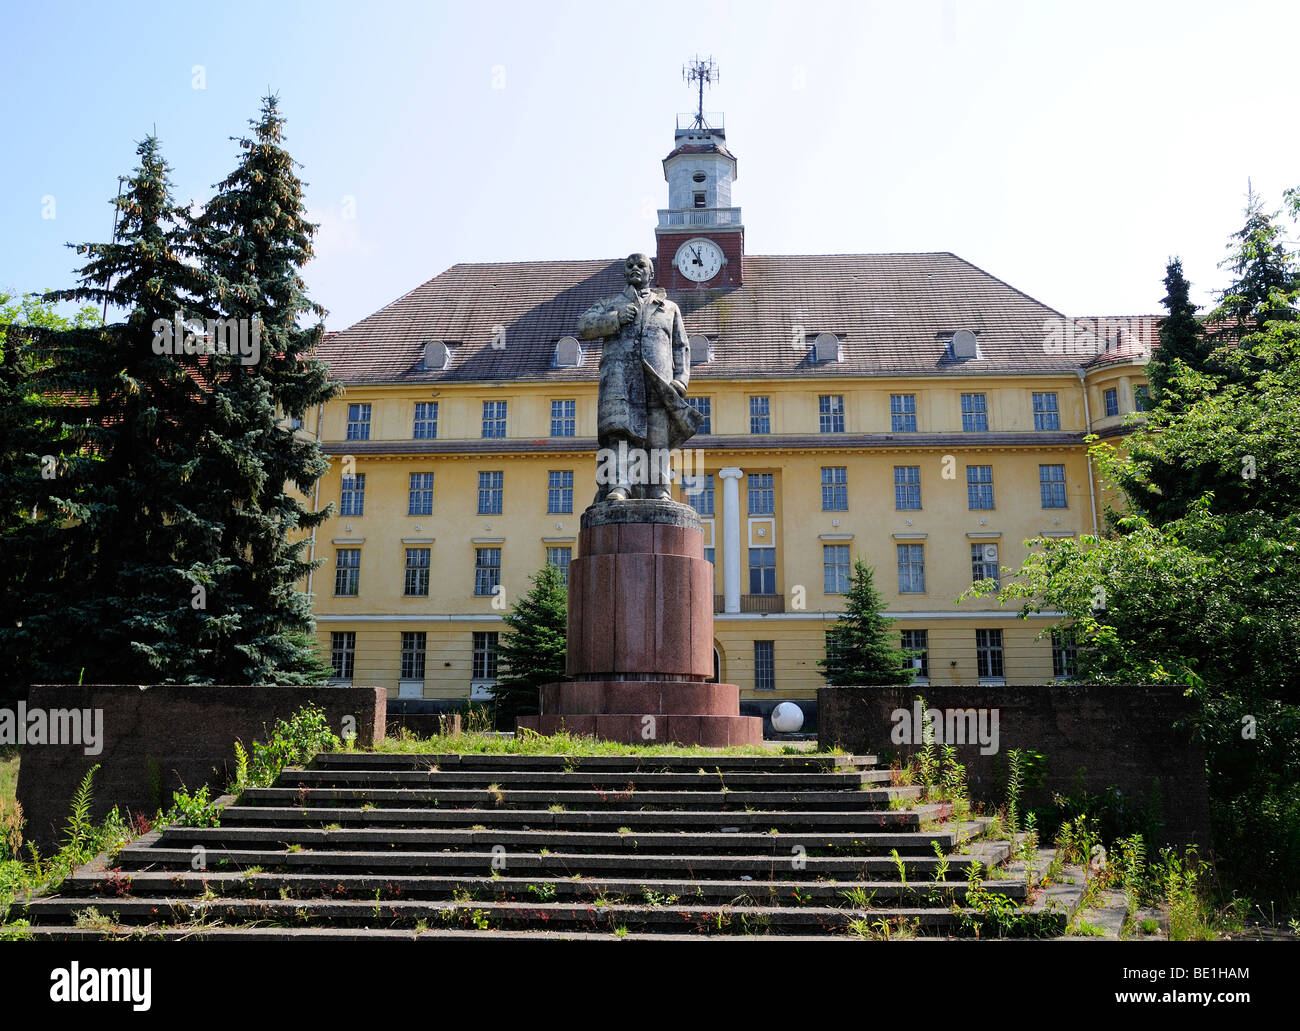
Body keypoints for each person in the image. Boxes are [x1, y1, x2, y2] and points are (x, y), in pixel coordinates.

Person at [576, 253, 702, 502]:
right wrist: (615, 319)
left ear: (650, 273)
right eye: (630, 265)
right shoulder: (610, 303)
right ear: (624, 273)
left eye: (641, 265)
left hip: (658, 381)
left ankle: (660, 490)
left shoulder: (669, 308)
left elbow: (681, 347)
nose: (635, 268)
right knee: (621, 433)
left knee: (658, 437)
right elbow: (584, 325)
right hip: (620, 379)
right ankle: (620, 487)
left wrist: (681, 379)